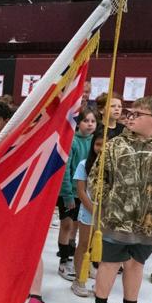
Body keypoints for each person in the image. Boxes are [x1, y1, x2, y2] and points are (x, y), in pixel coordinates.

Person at [88, 96, 152, 303]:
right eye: (130, 113)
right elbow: (96, 178)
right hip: (117, 218)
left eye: (138, 114)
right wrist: (106, 198)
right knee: (109, 263)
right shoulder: (115, 145)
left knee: (136, 264)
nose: (130, 117)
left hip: (151, 222)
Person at [57, 108, 97, 282]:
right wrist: (67, 194)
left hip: (86, 194)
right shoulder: (71, 141)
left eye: (93, 121)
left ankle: (77, 260)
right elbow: (65, 170)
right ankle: (64, 261)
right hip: (70, 192)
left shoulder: (96, 143)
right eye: (86, 120)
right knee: (66, 225)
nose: (89, 124)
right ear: (78, 123)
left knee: (79, 227)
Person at [70, 129, 105, 297]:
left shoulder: (114, 166)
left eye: (105, 145)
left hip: (106, 214)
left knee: (99, 246)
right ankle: (79, 279)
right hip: (89, 211)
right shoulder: (84, 164)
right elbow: (81, 191)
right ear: (93, 145)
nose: (101, 148)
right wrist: (94, 210)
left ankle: (91, 270)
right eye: (98, 144)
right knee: (83, 244)